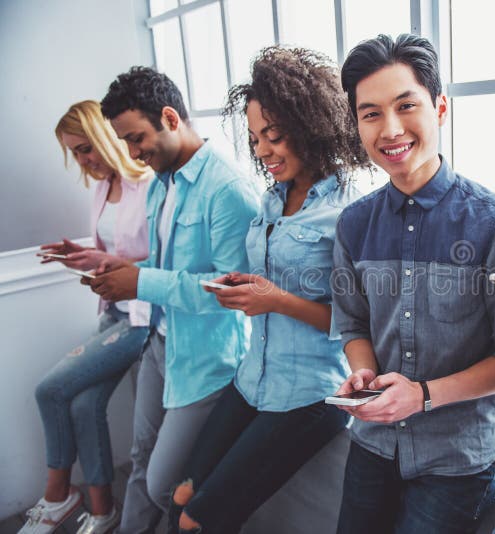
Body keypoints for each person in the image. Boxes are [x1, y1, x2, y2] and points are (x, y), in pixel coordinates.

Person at [166, 45, 371, 534]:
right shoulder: (272, 198)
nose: (261, 151)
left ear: (310, 126)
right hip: (252, 378)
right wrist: (249, 286)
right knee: (182, 494)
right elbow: (273, 277)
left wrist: (274, 300)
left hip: (308, 396)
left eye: (273, 136)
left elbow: (352, 322)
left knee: (195, 520)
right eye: (257, 138)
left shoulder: (348, 213)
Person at [333, 34, 495, 534]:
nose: (390, 129)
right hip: (373, 443)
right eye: (371, 113)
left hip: (457, 461)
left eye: (406, 106)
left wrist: (422, 395)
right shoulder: (353, 224)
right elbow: (353, 323)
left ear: (440, 107)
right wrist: (363, 375)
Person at [89, 66, 258, 533]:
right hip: (160, 344)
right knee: (141, 457)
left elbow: (229, 291)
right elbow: (169, 267)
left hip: (207, 361)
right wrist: (127, 273)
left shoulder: (227, 190)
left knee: (166, 484)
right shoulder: (162, 182)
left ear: (169, 117)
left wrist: (139, 284)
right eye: (124, 142)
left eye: (136, 138)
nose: (132, 154)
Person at [20, 100, 152, 534]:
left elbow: (161, 262)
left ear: (105, 139)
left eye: (84, 149)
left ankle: (57, 497)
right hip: (111, 312)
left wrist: (102, 259)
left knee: (49, 389)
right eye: (74, 153)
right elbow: (112, 259)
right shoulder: (101, 189)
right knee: (84, 403)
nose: (82, 161)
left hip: (142, 316)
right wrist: (83, 259)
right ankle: (101, 512)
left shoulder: (148, 184)